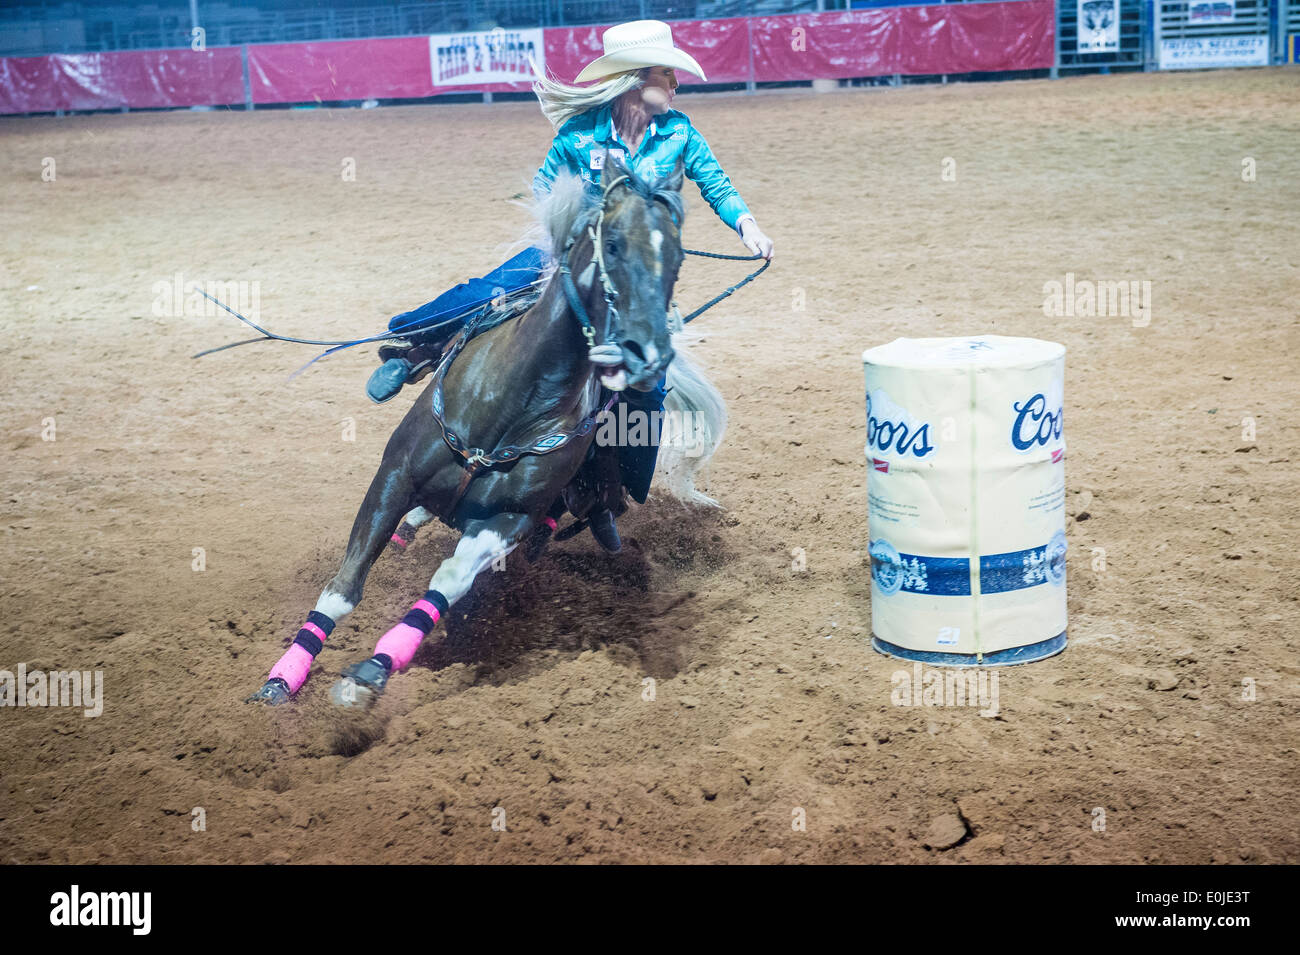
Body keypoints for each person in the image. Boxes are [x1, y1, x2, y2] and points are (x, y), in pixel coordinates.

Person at [366, 19, 774, 549]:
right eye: (666, 74)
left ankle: (610, 488)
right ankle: (416, 348)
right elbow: (542, 192)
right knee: (491, 290)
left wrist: (748, 226)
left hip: (633, 278)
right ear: (636, 81)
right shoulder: (578, 136)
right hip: (569, 256)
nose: (675, 83)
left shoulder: (680, 134)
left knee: (647, 387)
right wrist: (571, 232)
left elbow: (715, 183)